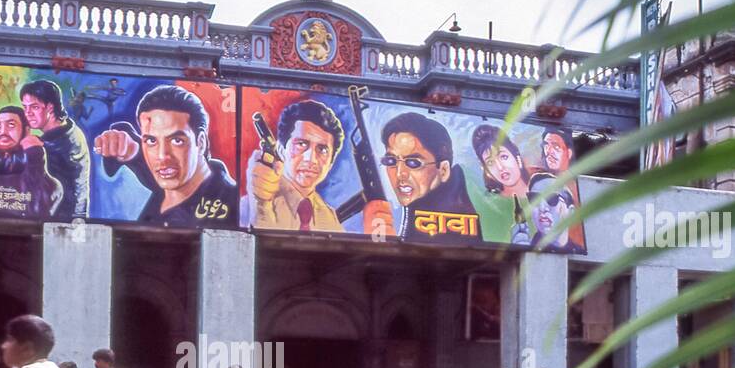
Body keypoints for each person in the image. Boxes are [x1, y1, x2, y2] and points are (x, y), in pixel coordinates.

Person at [94, 84, 238, 227]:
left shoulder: (229, 205)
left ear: (200, 142)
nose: (162, 156)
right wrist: (131, 150)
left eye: (177, 141)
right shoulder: (173, 184)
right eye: (151, 140)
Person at [362, 112, 480, 242]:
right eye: (391, 161)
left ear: (443, 170)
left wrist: (380, 241)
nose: (400, 173)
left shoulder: (454, 223)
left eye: (413, 163)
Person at [242, 99, 346, 231]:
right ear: (280, 149)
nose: (311, 159)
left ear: (331, 162)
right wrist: (261, 204)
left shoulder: (330, 219)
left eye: (322, 149)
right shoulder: (249, 207)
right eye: (301, 144)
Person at [20, 79, 90, 218]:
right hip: (67, 219)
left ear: (50, 107)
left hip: (60, 220)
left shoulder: (57, 143)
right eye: (25, 107)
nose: (28, 113)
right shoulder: (70, 129)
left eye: (34, 107)